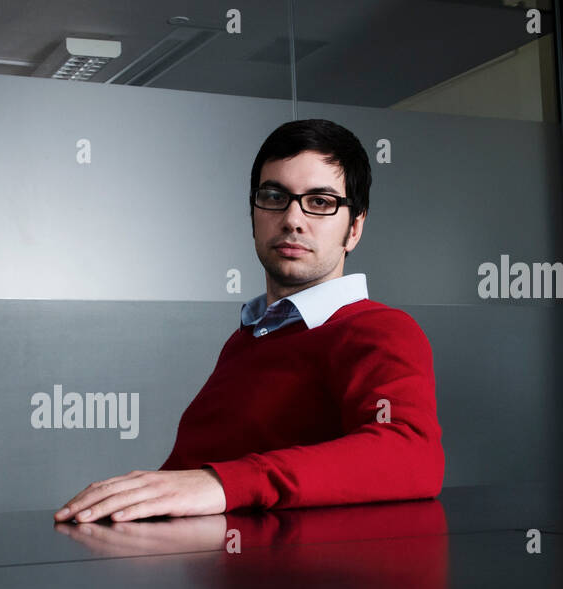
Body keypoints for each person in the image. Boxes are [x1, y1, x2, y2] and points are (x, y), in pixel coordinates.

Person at [54, 118, 444, 525]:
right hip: (187, 568)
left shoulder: (380, 329)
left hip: (282, 584)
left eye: (321, 202)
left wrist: (222, 482)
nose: (293, 219)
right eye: (275, 196)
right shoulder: (251, 337)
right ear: (253, 213)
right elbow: (187, 480)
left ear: (355, 228)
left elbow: (411, 454)